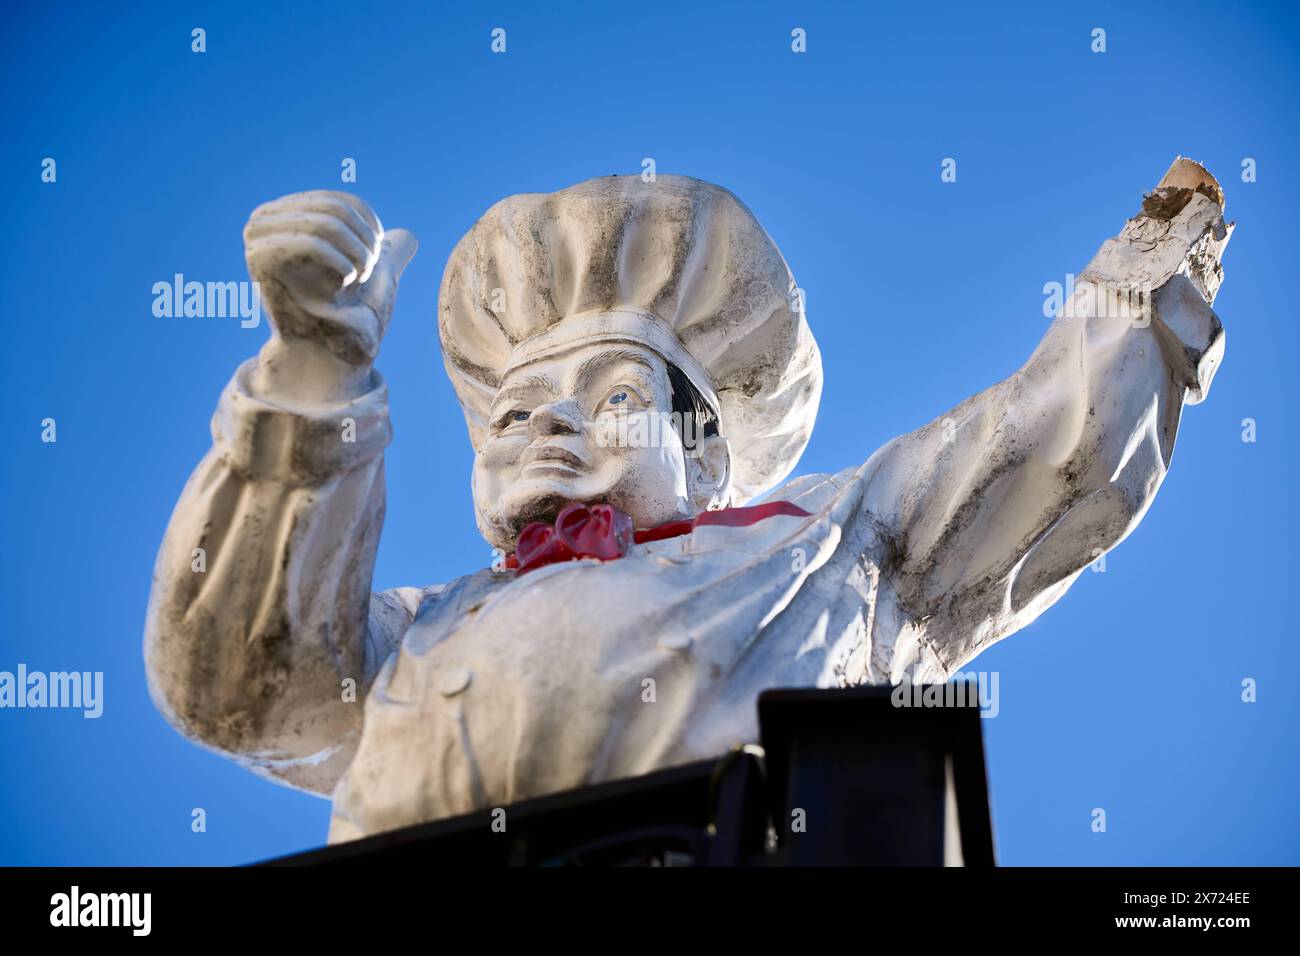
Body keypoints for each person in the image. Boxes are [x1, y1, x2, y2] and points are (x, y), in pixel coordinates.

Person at [144, 161, 1231, 842]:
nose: (546, 426)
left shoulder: (824, 549)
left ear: (701, 452)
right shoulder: (414, 634)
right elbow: (239, 683)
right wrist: (316, 376)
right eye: (514, 411)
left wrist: (1150, 267)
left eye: (608, 395)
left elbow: (1046, 447)